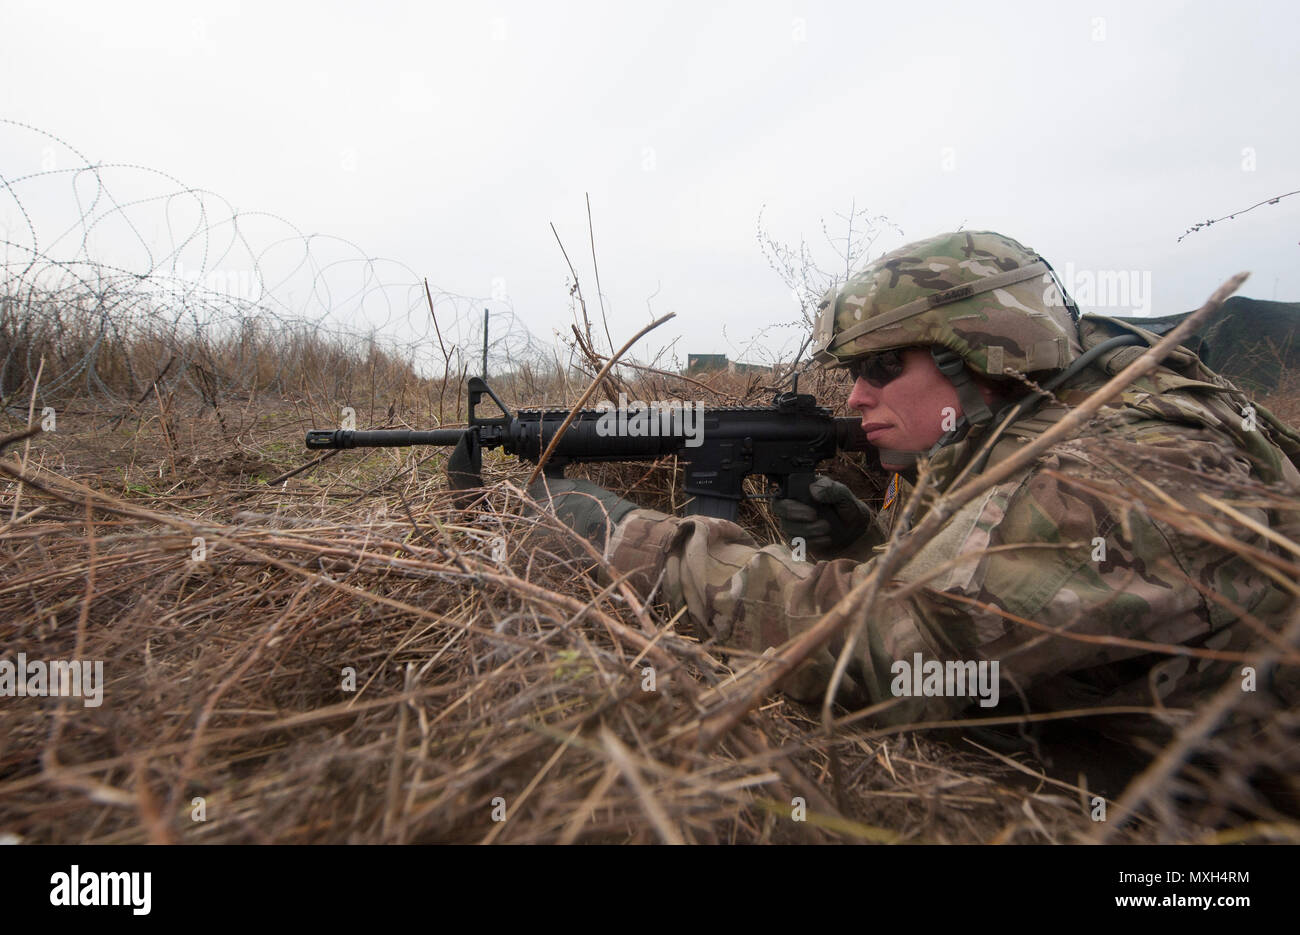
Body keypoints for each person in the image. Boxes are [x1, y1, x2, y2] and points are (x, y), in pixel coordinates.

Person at [529, 231, 1300, 741]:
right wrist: (869, 540)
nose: (857, 396)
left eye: (882, 368)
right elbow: (991, 590)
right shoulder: (1059, 400)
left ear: (980, 357)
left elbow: (890, 654)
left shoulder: (1099, 478)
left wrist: (634, 541)